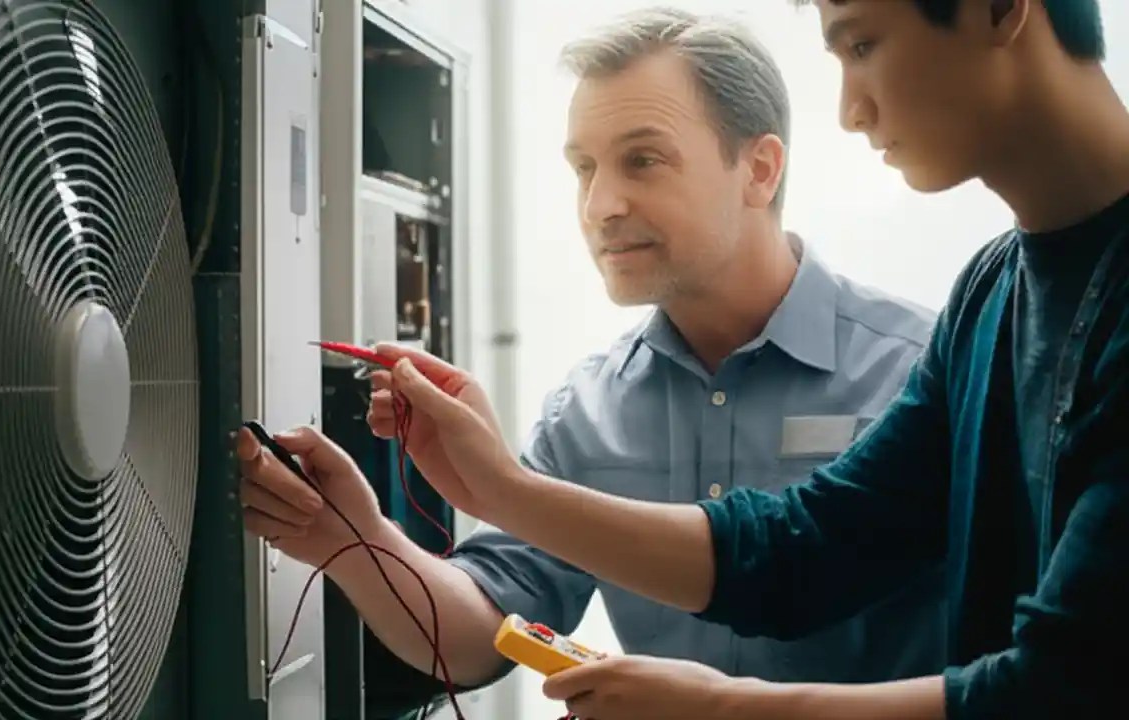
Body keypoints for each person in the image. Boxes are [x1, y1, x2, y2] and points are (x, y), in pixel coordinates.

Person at [318, 0, 1129, 717]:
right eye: (584, 169)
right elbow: (802, 549)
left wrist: (721, 710)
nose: (848, 109)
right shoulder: (990, 296)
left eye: (862, 44)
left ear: (998, 8)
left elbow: (1067, 688)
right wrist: (488, 491)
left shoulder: (927, 342)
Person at [236, 6, 946, 714]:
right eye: (584, 169)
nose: (600, 205)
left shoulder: (924, 372)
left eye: (643, 159)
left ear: (758, 170)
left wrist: (502, 487)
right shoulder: (588, 410)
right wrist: (354, 537)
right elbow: (480, 632)